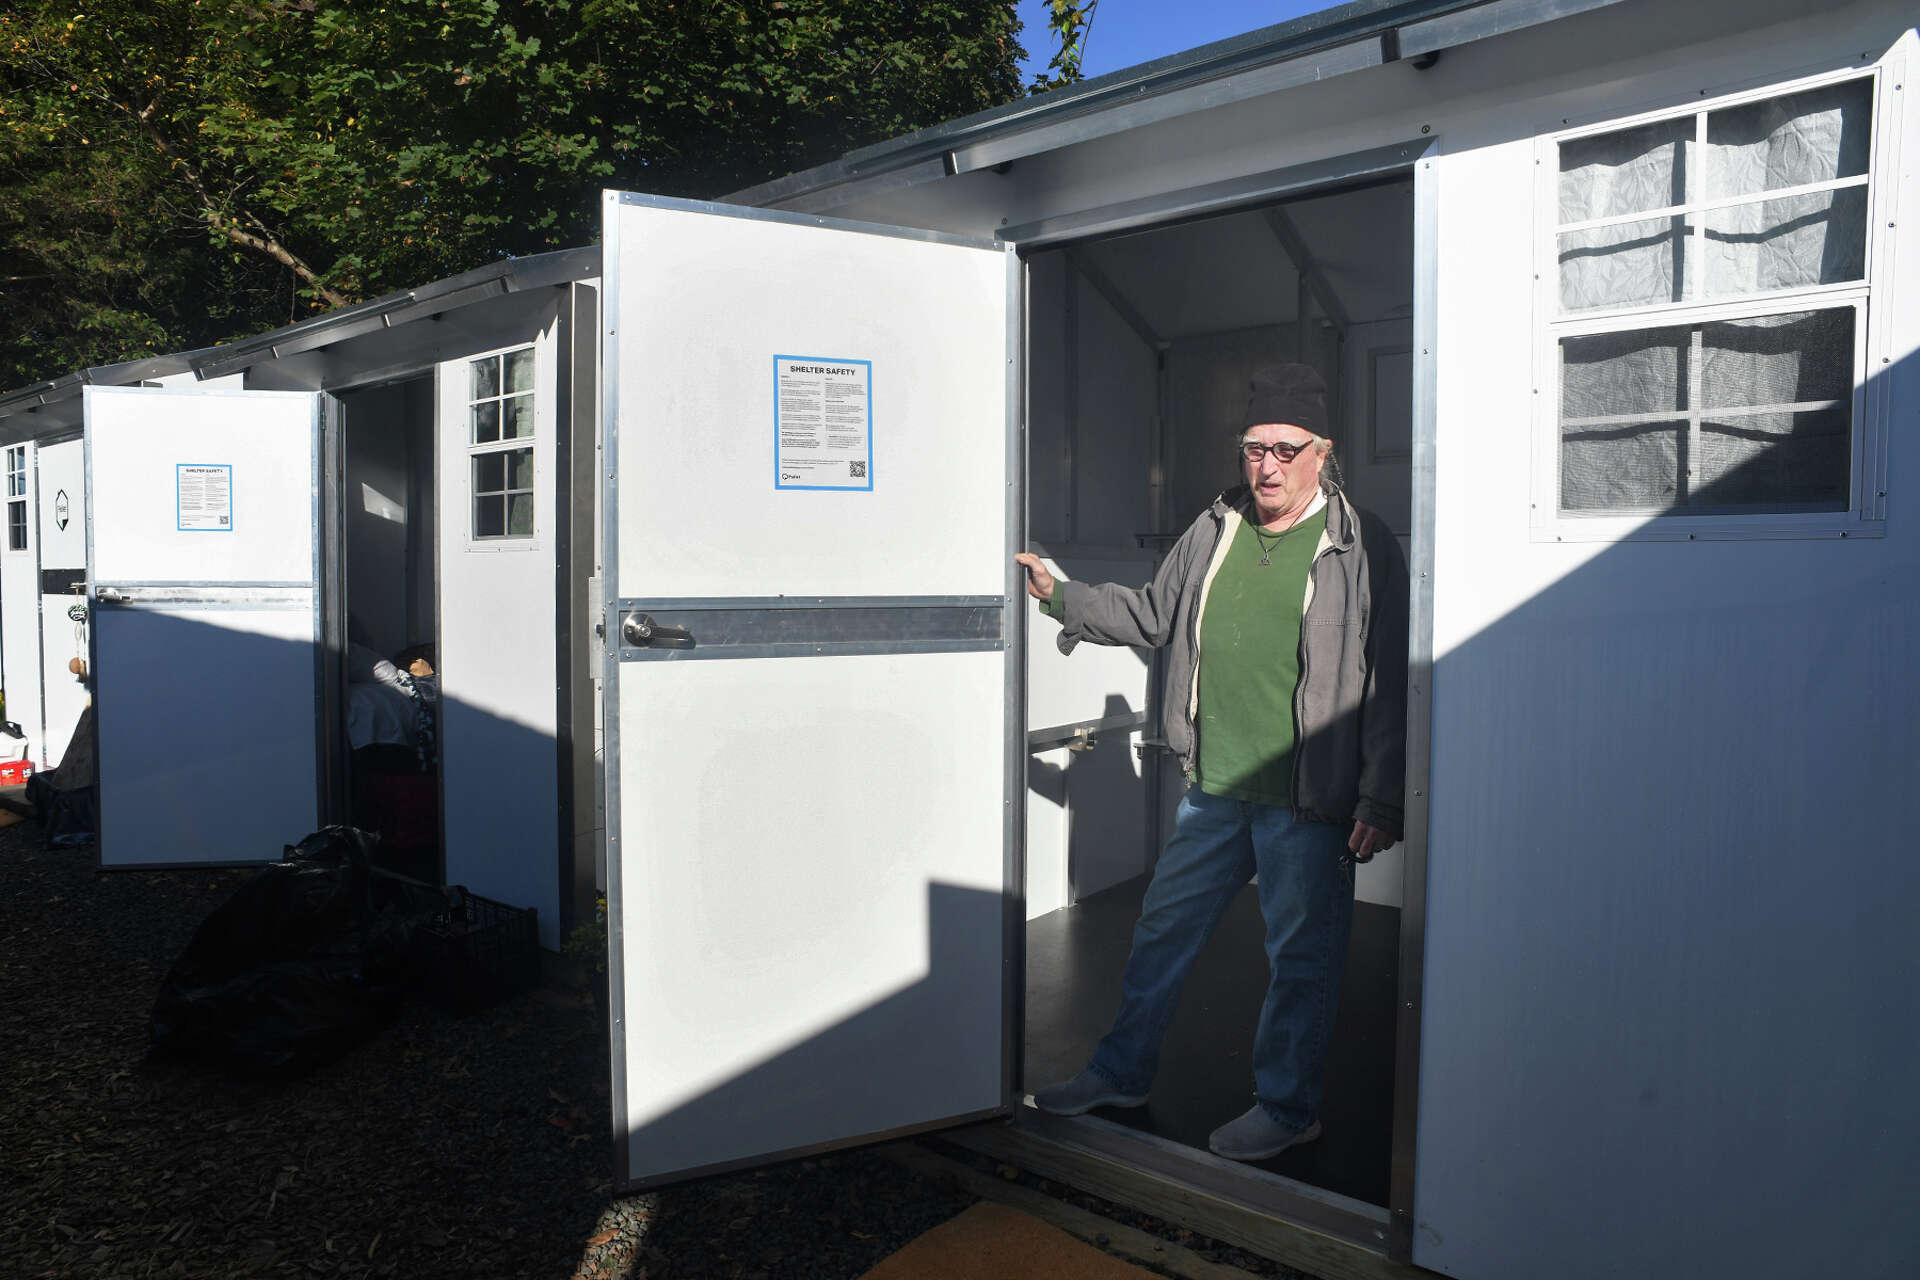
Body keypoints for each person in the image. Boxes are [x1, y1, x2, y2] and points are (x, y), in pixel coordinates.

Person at [1016, 362, 1408, 1162]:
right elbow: (1156, 613)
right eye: (1253, 449)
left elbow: (1384, 678)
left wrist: (1382, 797)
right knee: (1160, 933)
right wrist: (1063, 595)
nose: (1265, 465)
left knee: (1301, 959)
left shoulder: (1361, 542)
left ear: (1322, 451)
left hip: (1308, 798)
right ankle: (1121, 1071)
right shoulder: (1214, 527)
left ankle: (1290, 1107)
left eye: (1284, 450)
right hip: (1214, 788)